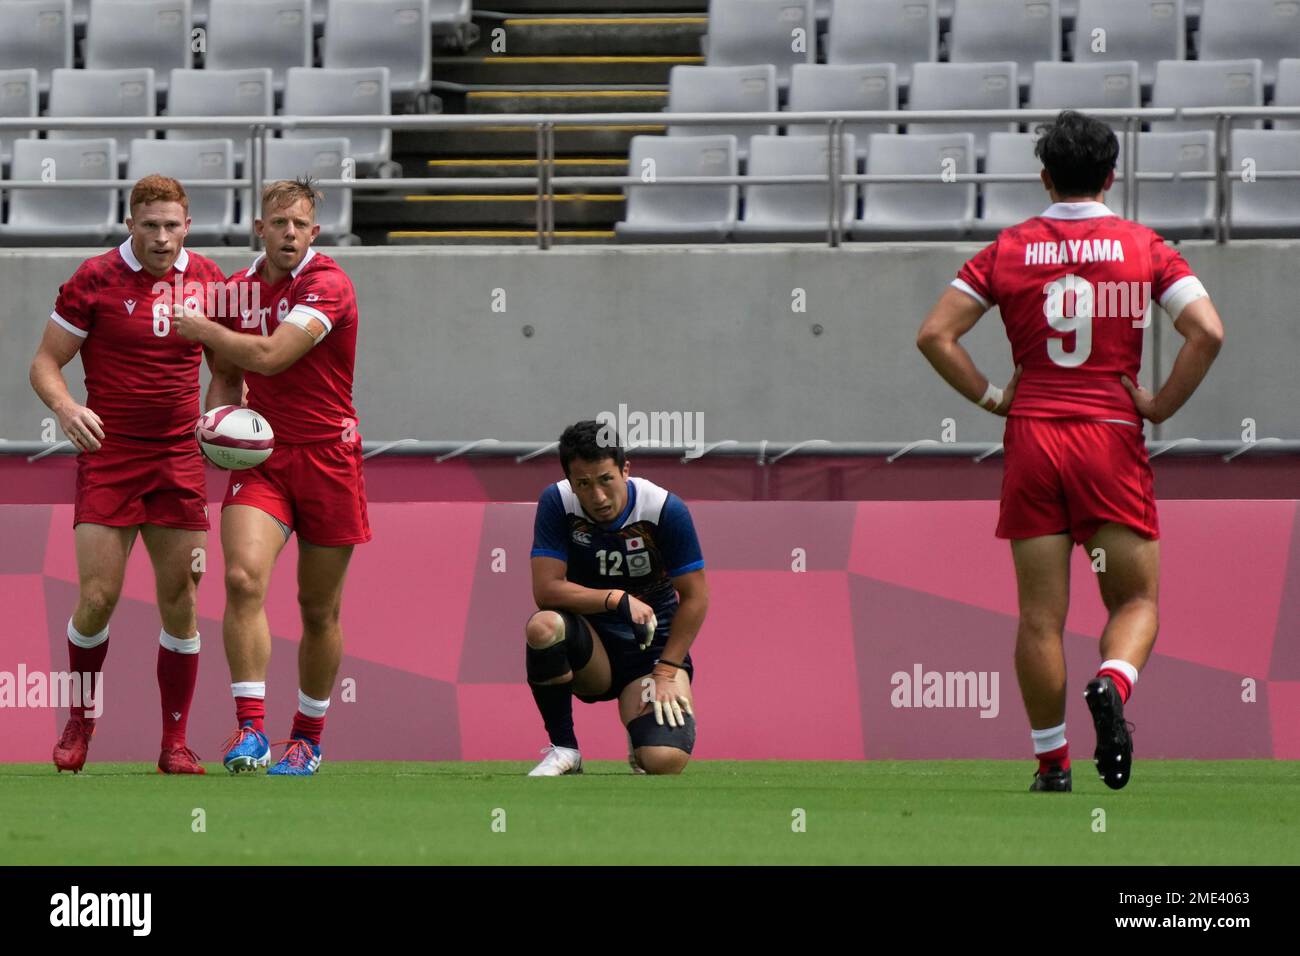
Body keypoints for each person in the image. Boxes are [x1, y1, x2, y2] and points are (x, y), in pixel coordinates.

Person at [916, 111, 1224, 792]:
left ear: (1045, 176)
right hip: (1109, 437)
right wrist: (1160, 404)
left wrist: (996, 398)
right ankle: (1112, 683)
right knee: (1136, 600)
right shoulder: (1144, 247)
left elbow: (935, 335)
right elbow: (1207, 331)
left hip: (1032, 438)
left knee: (1039, 617)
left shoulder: (1008, 248)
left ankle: (1052, 767)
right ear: (1112, 176)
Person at [30, 175, 229, 774]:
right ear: (130, 224)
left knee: (181, 600)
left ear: (187, 226)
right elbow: (44, 363)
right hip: (110, 456)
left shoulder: (209, 280)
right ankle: (79, 722)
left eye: (172, 225)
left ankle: (174, 743)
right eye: (150, 225)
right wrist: (66, 408)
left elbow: (225, 366)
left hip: (178, 458)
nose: (162, 237)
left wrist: (218, 420)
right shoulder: (93, 279)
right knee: (97, 598)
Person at [174, 178, 370, 776]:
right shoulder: (236, 292)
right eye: (278, 222)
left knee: (318, 608)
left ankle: (307, 737)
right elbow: (233, 374)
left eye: (300, 224)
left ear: (315, 231)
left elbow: (271, 356)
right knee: (241, 578)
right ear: (259, 228)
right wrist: (217, 424)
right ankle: (250, 731)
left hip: (330, 459)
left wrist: (200, 327)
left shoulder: (328, 285)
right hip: (264, 460)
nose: (289, 232)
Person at [524, 420, 708, 776]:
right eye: (584, 484)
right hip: (591, 651)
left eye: (606, 479)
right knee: (543, 627)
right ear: (570, 482)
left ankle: (640, 738)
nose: (598, 497)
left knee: (664, 762)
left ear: (625, 469)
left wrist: (667, 671)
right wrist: (615, 599)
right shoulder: (557, 502)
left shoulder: (664, 509)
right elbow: (546, 591)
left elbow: (696, 597)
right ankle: (566, 749)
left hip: (651, 653)